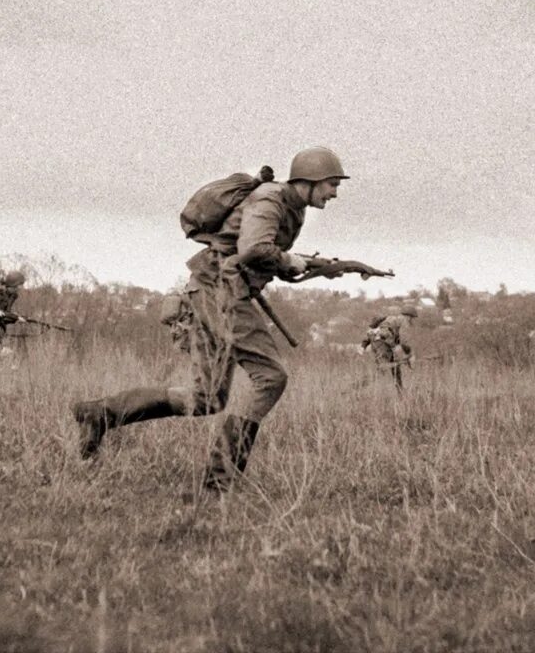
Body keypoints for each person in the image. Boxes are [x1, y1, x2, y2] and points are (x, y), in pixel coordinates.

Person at [72, 146, 349, 492]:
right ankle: (220, 480)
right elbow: (253, 250)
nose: (335, 192)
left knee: (206, 398)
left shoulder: (291, 206)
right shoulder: (271, 201)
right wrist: (287, 261)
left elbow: (258, 255)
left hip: (210, 290)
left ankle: (101, 414)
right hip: (221, 294)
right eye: (331, 184)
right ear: (308, 181)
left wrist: (314, 267)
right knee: (271, 377)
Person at [362, 304, 417, 391]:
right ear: (408, 317)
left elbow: (376, 331)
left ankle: (400, 391)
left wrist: (364, 345)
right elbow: (404, 341)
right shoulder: (403, 321)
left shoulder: (391, 318)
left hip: (379, 342)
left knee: (395, 368)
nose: (412, 321)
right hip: (383, 343)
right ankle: (358, 386)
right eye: (412, 318)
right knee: (382, 369)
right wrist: (410, 355)